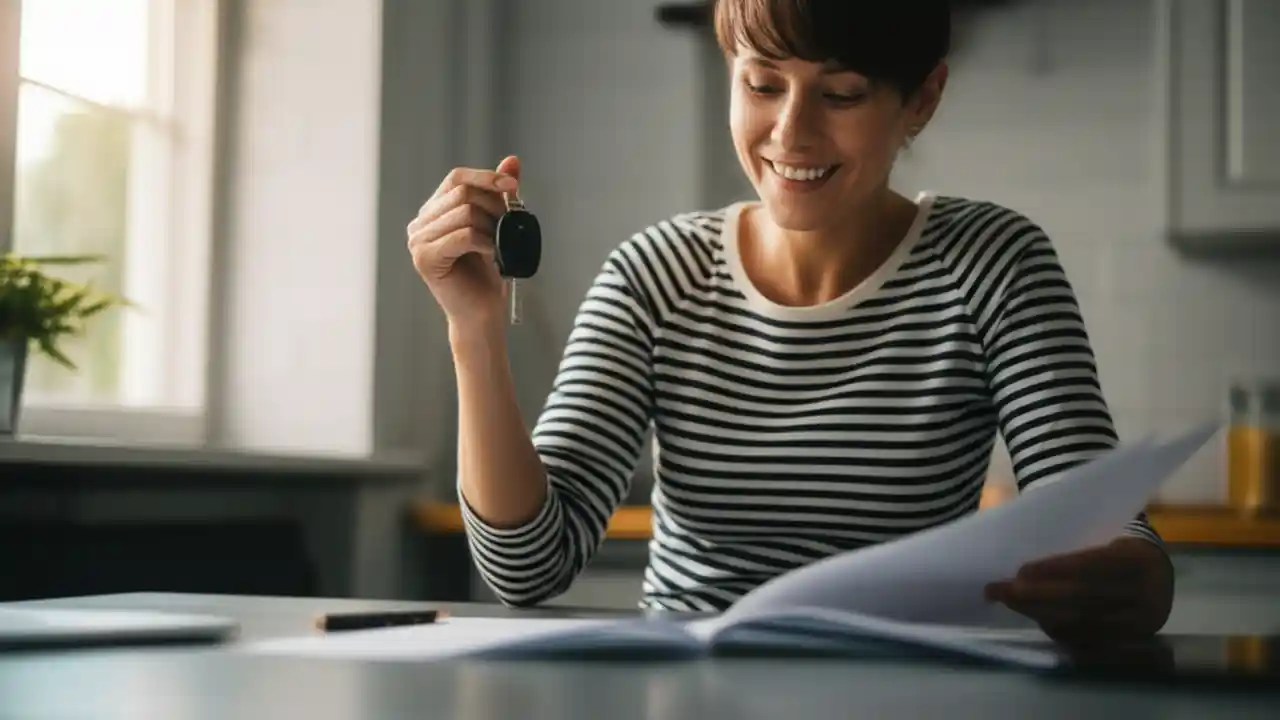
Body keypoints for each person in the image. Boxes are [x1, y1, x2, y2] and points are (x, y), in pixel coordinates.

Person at [404, 0, 1173, 643]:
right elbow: (526, 571)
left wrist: (1135, 582)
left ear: (923, 99)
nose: (791, 133)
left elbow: (1111, 534)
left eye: (840, 95)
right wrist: (473, 331)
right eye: (763, 84)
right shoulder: (653, 275)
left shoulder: (994, 265)